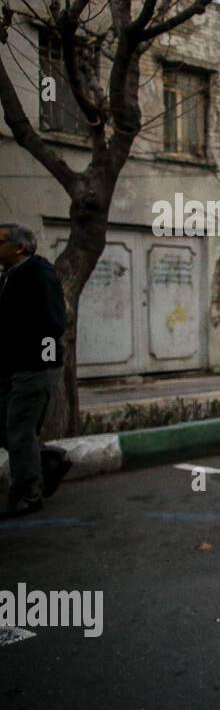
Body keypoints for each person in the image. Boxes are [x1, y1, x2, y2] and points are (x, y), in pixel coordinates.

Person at [0, 222, 70, 520]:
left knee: (19, 430)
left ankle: (28, 493)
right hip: (11, 367)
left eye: (0, 240)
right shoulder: (9, 275)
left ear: (19, 246)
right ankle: (47, 460)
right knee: (7, 427)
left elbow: (53, 324)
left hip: (33, 368)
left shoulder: (39, 275)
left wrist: (42, 364)